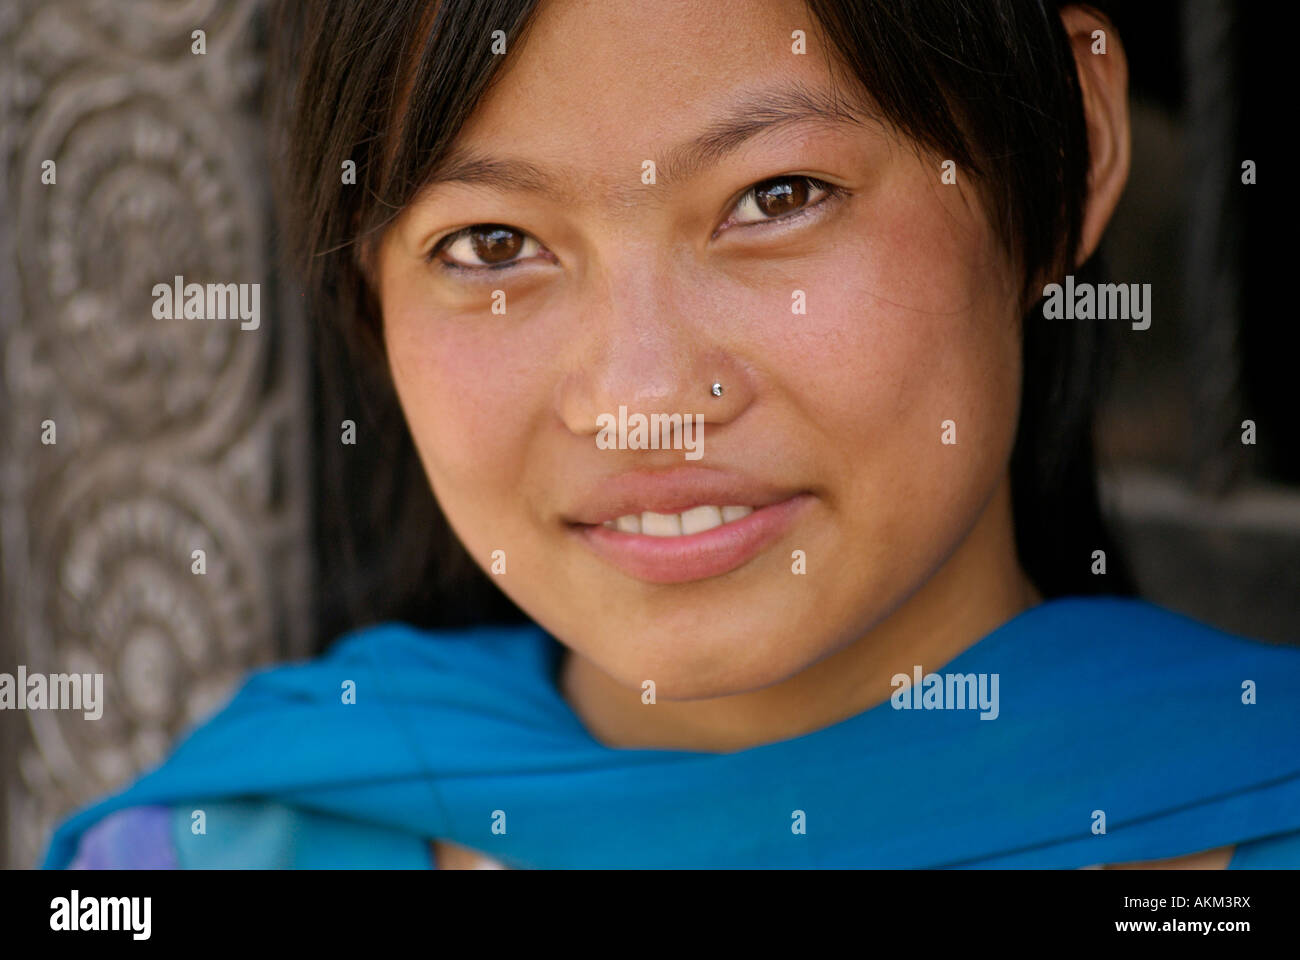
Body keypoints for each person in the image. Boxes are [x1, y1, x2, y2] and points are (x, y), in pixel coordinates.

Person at [43, 0, 1300, 869]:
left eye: (777, 197)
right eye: (491, 245)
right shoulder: (218, 853)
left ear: (1072, 141)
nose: (640, 396)